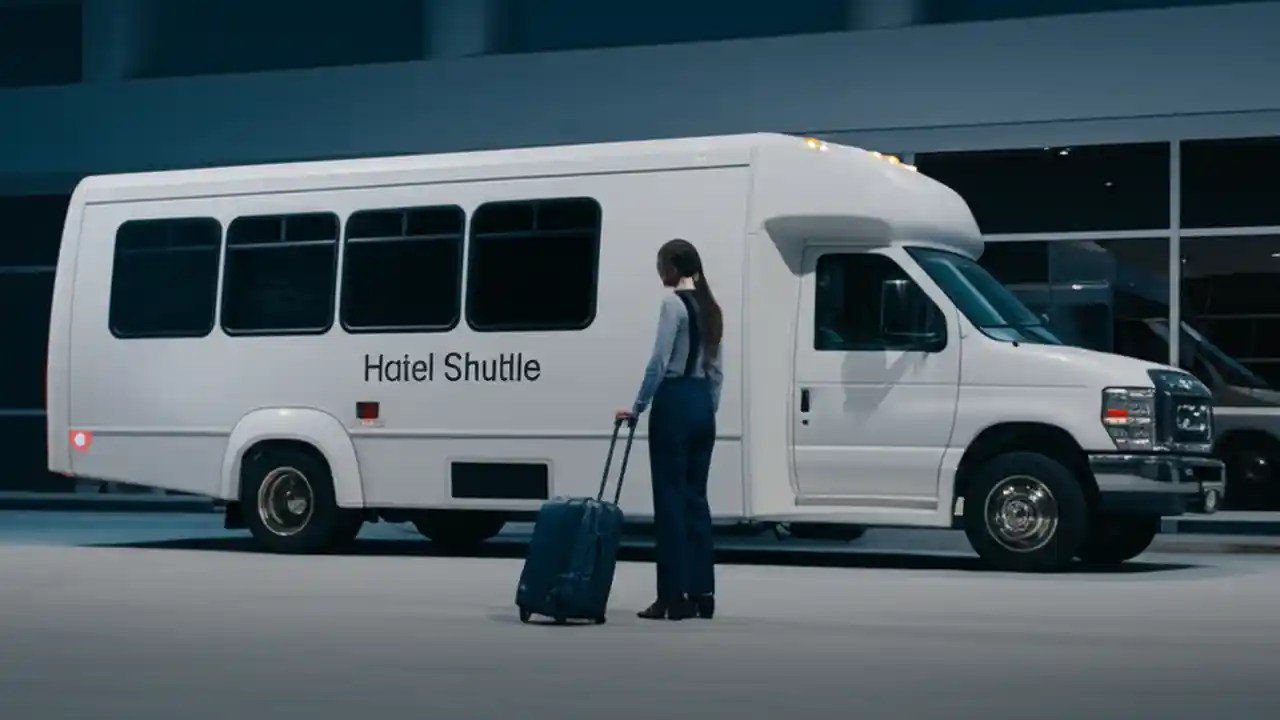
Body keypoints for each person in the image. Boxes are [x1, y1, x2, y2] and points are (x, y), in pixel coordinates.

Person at [617, 238, 724, 621]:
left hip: (674, 403)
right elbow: (716, 372)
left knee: (670, 503)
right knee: (697, 500)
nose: (659, 272)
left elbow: (658, 362)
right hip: (701, 406)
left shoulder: (671, 305)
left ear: (673, 269)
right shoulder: (711, 308)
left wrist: (638, 406)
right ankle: (702, 593)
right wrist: (707, 410)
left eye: (660, 264)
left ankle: (671, 598)